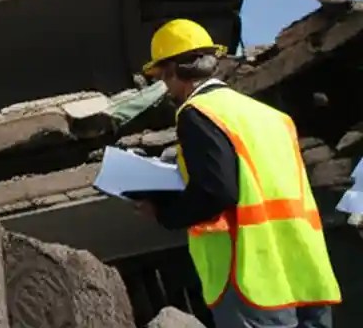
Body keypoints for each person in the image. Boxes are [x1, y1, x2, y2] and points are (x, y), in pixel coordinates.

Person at [136, 19, 340, 328]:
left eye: (163, 78)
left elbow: (216, 191)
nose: (165, 87)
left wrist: (164, 213)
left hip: (251, 278)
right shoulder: (273, 117)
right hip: (305, 271)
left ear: (173, 71)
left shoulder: (198, 113)